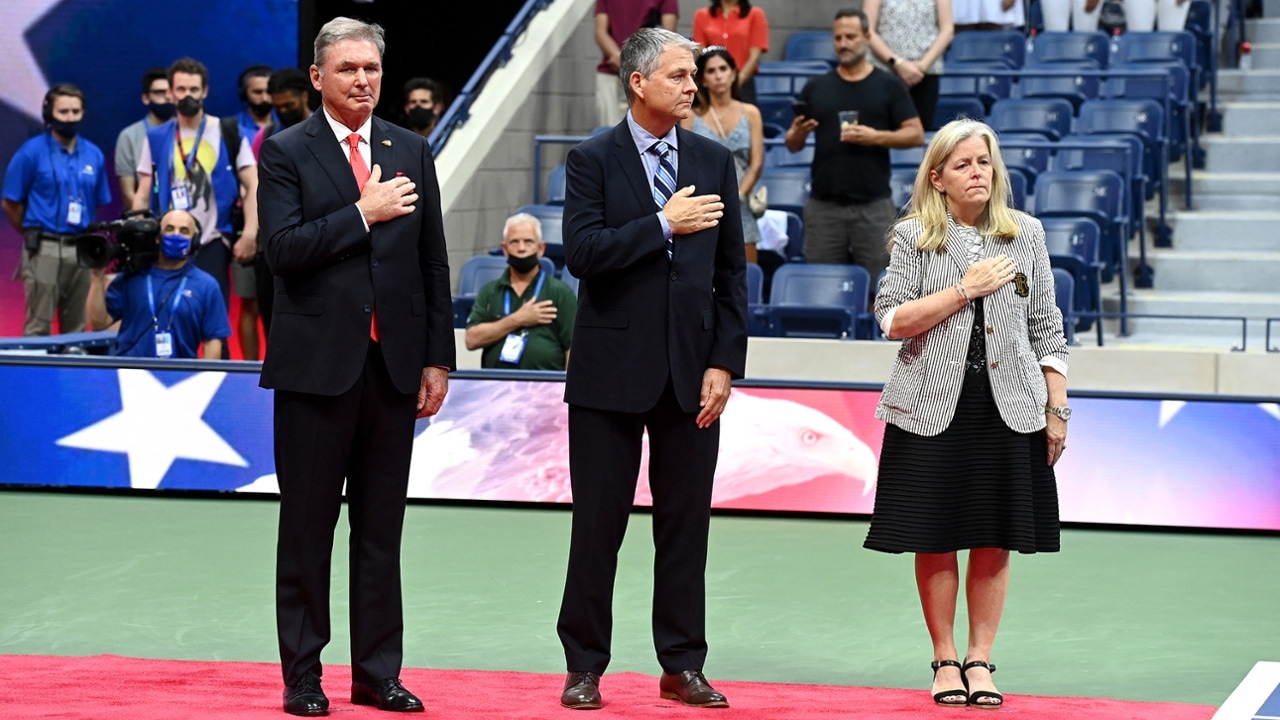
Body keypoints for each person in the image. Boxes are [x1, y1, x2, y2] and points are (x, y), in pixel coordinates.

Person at [256, 16, 454, 717]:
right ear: (318, 78)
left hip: (394, 370)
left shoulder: (412, 149)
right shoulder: (284, 152)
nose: (364, 80)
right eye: (348, 69)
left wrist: (437, 357)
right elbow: (280, 250)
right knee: (307, 531)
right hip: (315, 372)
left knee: (381, 531)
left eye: (371, 68)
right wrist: (362, 212)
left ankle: (377, 673)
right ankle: (303, 677)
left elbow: (433, 261)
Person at [556, 27, 748, 712]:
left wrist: (725, 361)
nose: (692, 84)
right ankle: (584, 666)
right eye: (677, 75)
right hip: (609, 374)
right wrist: (663, 224)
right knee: (598, 527)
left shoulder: (712, 159)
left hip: (692, 374)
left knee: (685, 528)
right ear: (637, 82)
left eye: (693, 74)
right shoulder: (591, 160)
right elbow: (581, 252)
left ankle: (682, 665)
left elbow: (731, 277)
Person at [864, 119, 1069, 709]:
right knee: (936, 535)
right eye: (963, 164)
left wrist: (1058, 408)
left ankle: (981, 659)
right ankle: (945, 658)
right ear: (938, 178)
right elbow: (892, 321)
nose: (978, 172)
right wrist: (965, 288)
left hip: (1011, 407)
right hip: (929, 406)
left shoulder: (1024, 234)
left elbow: (1047, 329)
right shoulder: (913, 237)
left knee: (995, 536)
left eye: (984, 162)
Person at [784, 8, 925, 281]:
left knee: (882, 287)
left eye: (850, 36)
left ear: (867, 37)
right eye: (838, 38)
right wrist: (797, 133)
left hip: (873, 206)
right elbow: (792, 145)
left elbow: (916, 134)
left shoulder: (889, 86)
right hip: (823, 206)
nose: (843, 44)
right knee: (820, 287)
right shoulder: (816, 87)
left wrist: (875, 136)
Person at [132, 57, 260, 323]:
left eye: (193, 89)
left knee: (214, 319)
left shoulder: (227, 132)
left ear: (205, 91)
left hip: (213, 240)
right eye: (181, 90)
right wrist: (137, 237)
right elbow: (143, 192)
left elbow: (254, 183)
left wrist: (249, 233)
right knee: (168, 317)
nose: (187, 96)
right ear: (170, 93)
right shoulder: (156, 137)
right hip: (169, 241)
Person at [2, 83, 113, 336]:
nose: (70, 118)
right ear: (49, 113)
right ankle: (33, 375)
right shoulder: (31, 152)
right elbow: (10, 202)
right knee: (38, 326)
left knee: (75, 328)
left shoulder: (93, 154)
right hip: (44, 246)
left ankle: (70, 373)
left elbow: (96, 201)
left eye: (76, 112)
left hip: (81, 248)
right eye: (64, 112)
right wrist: (31, 232)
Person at [85, 209, 230, 359]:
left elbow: (213, 341)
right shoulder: (132, 277)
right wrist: (97, 277)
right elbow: (98, 323)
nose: (176, 235)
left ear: (193, 241)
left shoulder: (207, 286)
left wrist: (204, 379)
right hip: (130, 373)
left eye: (184, 231)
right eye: (169, 229)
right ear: (157, 238)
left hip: (180, 376)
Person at [681, 46, 764, 263]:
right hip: (703, 204)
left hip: (741, 203)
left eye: (723, 68)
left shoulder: (751, 113)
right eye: (711, 71)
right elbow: (683, 160)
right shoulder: (689, 116)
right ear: (703, 80)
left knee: (746, 276)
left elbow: (757, 163)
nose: (718, 75)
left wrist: (738, 195)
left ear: (734, 73)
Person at [464, 213, 576, 370]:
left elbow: (573, 348)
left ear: (541, 248)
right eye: (514, 242)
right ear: (504, 249)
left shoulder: (560, 292)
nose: (521, 248)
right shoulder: (490, 291)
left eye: (528, 242)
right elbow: (472, 339)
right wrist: (517, 319)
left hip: (544, 389)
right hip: (494, 388)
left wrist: (565, 388)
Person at [251, 66, 315, 340]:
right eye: (278, 107)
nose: (283, 112)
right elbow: (256, 187)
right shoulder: (264, 138)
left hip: (316, 239)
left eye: (289, 105)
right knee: (274, 322)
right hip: (275, 243)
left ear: (304, 96)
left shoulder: (326, 135)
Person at [865, 0, 956, 132]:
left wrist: (922, 67)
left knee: (921, 134)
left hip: (925, 74)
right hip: (885, 72)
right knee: (881, 132)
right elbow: (868, 31)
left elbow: (947, 30)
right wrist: (897, 63)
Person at [593, 0, 679, 128]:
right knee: (609, 136)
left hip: (647, 74)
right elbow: (600, 32)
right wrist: (622, 60)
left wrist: (636, 63)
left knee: (648, 133)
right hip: (612, 74)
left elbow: (667, 35)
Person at [114, 68, 173, 204]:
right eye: (159, 93)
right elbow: (128, 192)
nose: (166, 98)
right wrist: (145, 220)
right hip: (145, 216)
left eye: (170, 92)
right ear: (146, 98)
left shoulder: (185, 132)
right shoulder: (129, 136)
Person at [691, 0, 769, 103]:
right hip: (711, 84)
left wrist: (734, 83)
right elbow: (701, 53)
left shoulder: (755, 14)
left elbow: (754, 56)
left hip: (743, 84)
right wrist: (713, 80)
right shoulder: (701, 15)